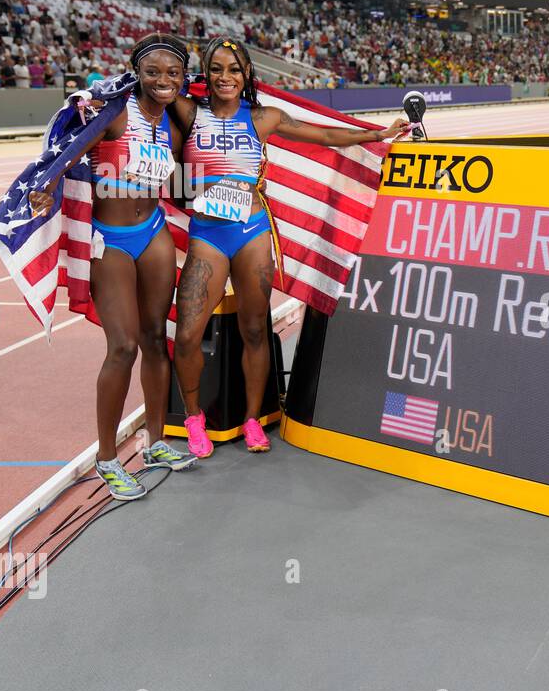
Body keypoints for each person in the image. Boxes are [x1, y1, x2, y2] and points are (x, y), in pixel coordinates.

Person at [169, 37, 409, 458]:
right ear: (206, 74)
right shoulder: (190, 112)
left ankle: (251, 421)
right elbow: (151, 87)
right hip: (207, 235)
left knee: (254, 330)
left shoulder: (263, 118)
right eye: (218, 69)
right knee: (188, 334)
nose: (226, 77)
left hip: (252, 233)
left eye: (235, 69)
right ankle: (193, 419)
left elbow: (325, 135)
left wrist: (379, 133)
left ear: (247, 75)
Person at [28, 33, 199, 500]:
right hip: (112, 241)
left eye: (173, 74)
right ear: (136, 73)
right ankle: (107, 459)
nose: (163, 81)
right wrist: (47, 186)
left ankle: (157, 442)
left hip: (155, 234)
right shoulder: (114, 113)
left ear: (183, 78)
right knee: (122, 347)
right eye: (153, 72)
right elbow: (67, 151)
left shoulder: (174, 126)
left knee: (155, 341)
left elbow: (189, 177)